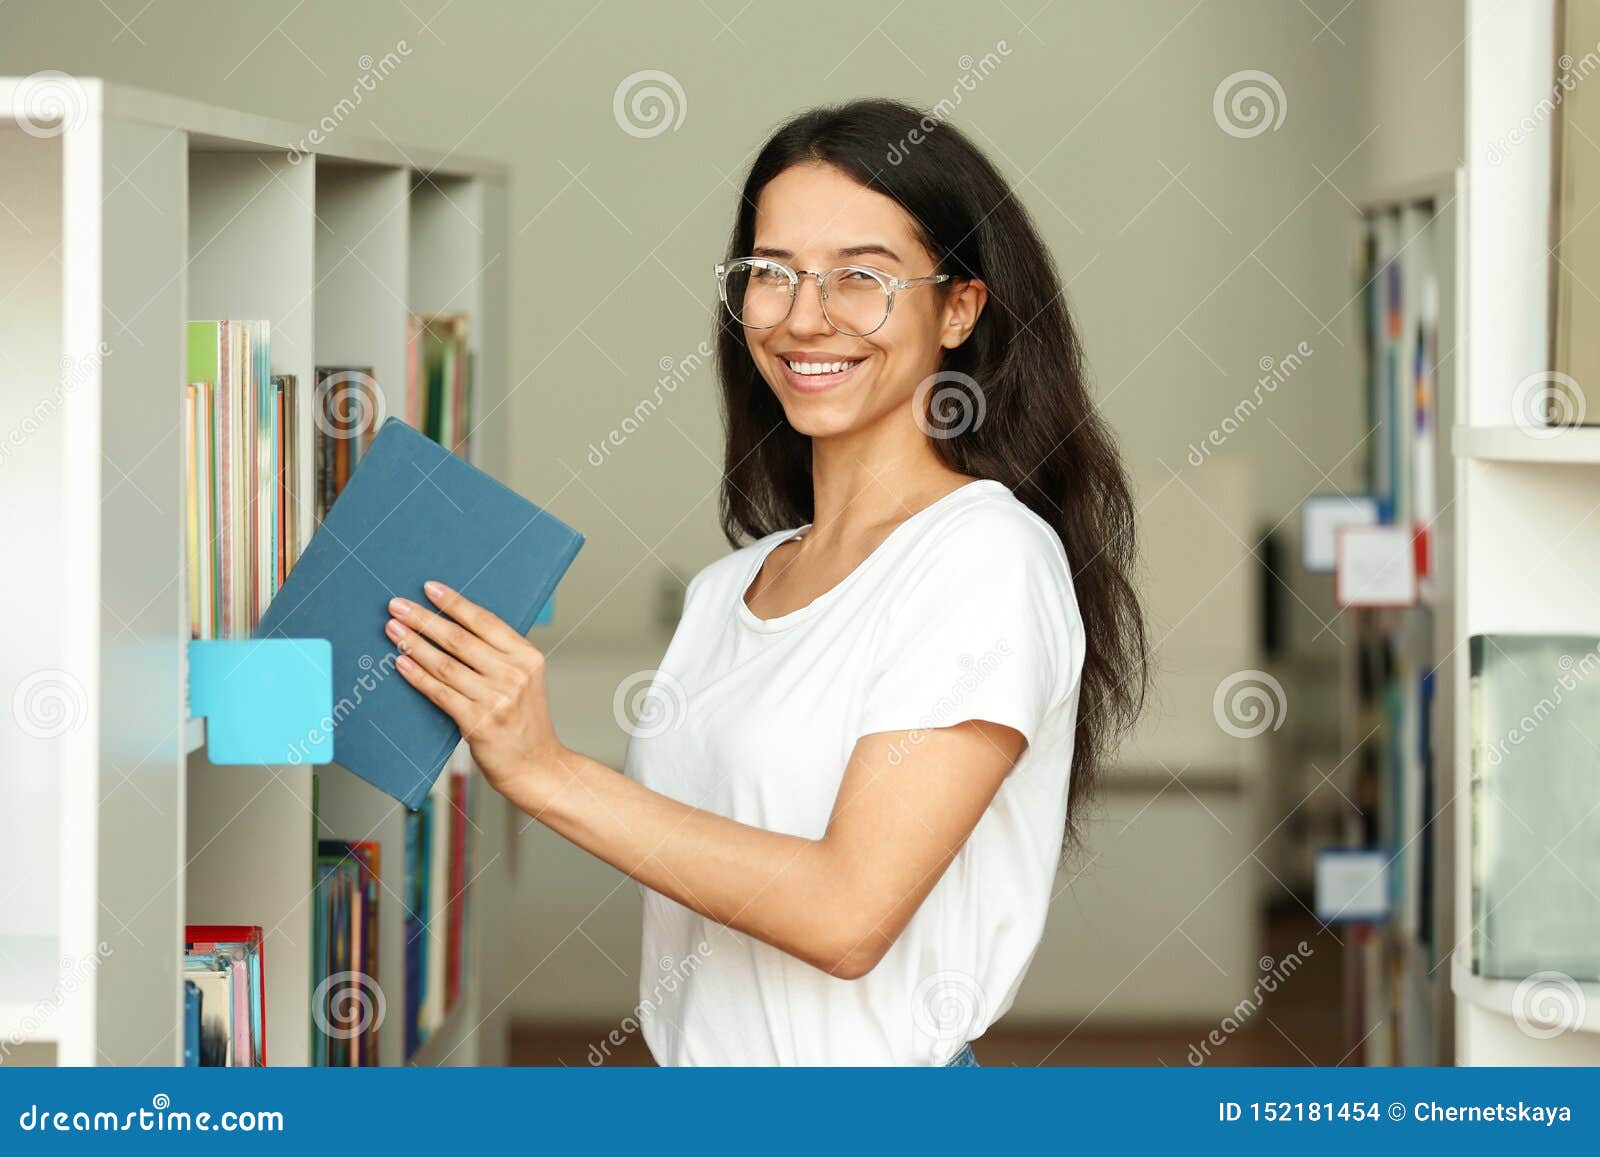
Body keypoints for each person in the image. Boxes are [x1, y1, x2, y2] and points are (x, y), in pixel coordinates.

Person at [384, 97, 1149, 1067]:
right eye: (771, 273)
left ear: (959, 308)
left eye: (861, 276)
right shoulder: (729, 587)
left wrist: (545, 770)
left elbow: (847, 915)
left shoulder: (984, 557)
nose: (803, 317)